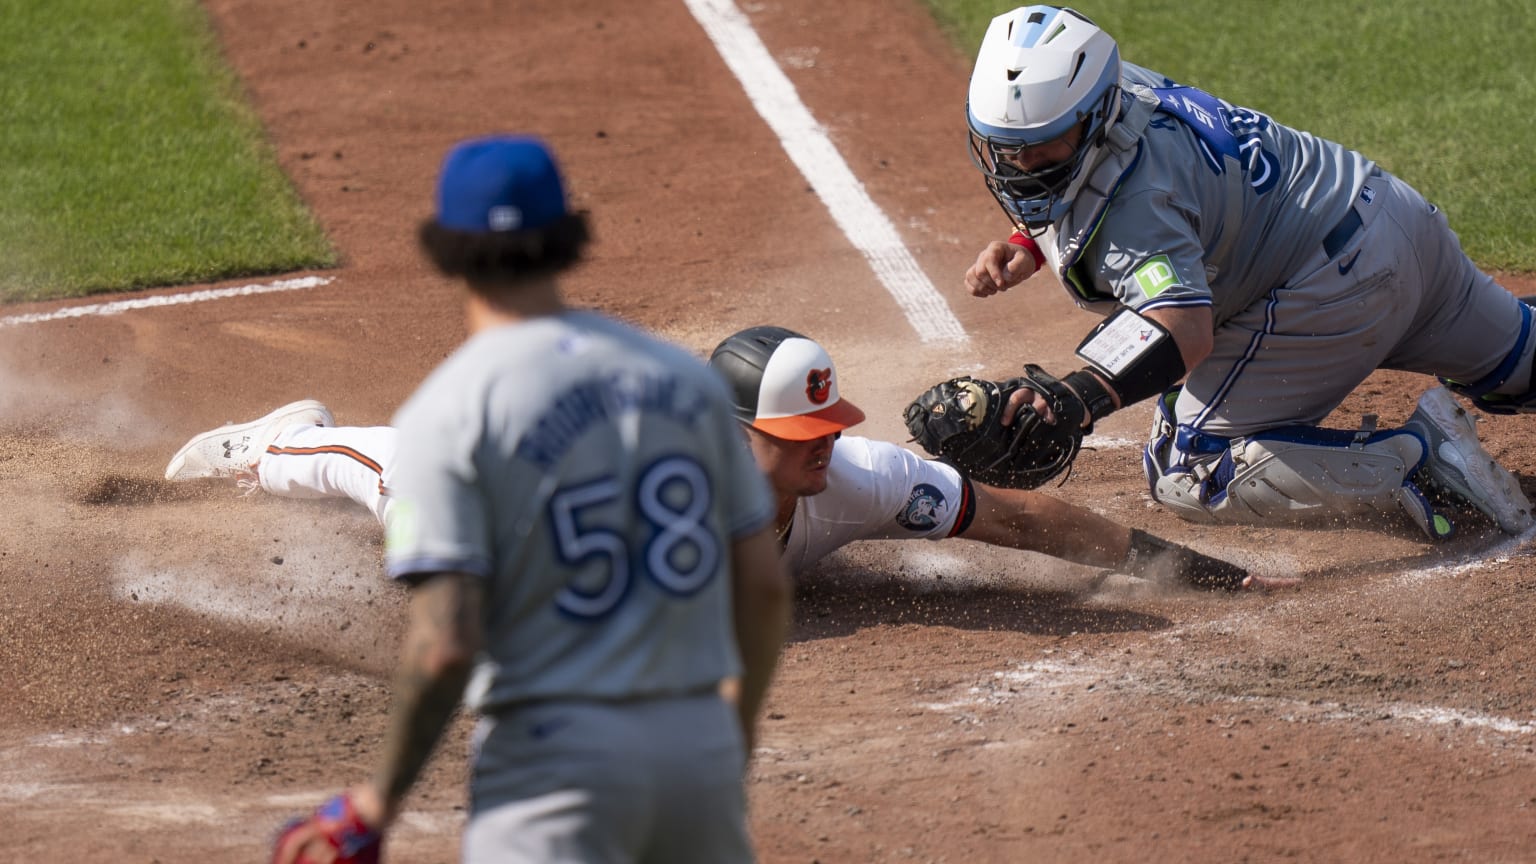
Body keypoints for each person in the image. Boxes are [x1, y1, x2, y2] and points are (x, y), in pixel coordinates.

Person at [265, 135, 792, 864]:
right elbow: (763, 589)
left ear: (444, 249)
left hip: (552, 780)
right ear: (568, 238)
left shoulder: (448, 413)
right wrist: (726, 739)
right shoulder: (685, 381)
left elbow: (445, 642)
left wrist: (377, 803)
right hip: (695, 761)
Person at [959, 5, 1535, 542]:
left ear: (1091, 117)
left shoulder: (1140, 206)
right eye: (1006, 148)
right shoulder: (1112, 89)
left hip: (1331, 292)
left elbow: (1181, 328)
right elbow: (1075, 188)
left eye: (1038, 148)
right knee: (1520, 361)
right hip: (1389, 215)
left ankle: (1422, 455)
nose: (1020, 164)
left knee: (1189, 466)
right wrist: (1027, 243)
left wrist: (1075, 396)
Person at [169, 328, 1284, 592]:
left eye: (825, 429)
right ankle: (269, 442)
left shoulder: (854, 479)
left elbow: (1021, 520)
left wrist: (1184, 571)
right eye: (798, 440)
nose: (826, 452)